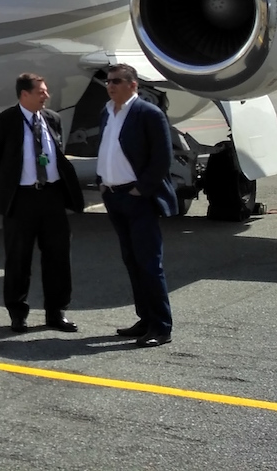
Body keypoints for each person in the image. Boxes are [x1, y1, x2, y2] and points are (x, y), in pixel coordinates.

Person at [0, 72, 84, 333]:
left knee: (58, 256)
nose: (46, 96)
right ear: (24, 95)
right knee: (18, 259)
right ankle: (18, 313)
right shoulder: (5, 121)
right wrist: (10, 178)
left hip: (51, 196)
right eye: (40, 92)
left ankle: (56, 312)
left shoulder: (52, 119)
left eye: (46, 91)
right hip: (21, 199)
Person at [98, 63, 177, 348]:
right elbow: (107, 149)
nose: (111, 86)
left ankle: (161, 326)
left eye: (117, 81)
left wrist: (139, 189)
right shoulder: (107, 112)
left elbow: (161, 158)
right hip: (114, 197)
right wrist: (102, 182)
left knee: (149, 264)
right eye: (108, 81)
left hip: (138, 199)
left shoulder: (149, 113)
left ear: (133, 85)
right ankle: (144, 319)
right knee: (132, 262)